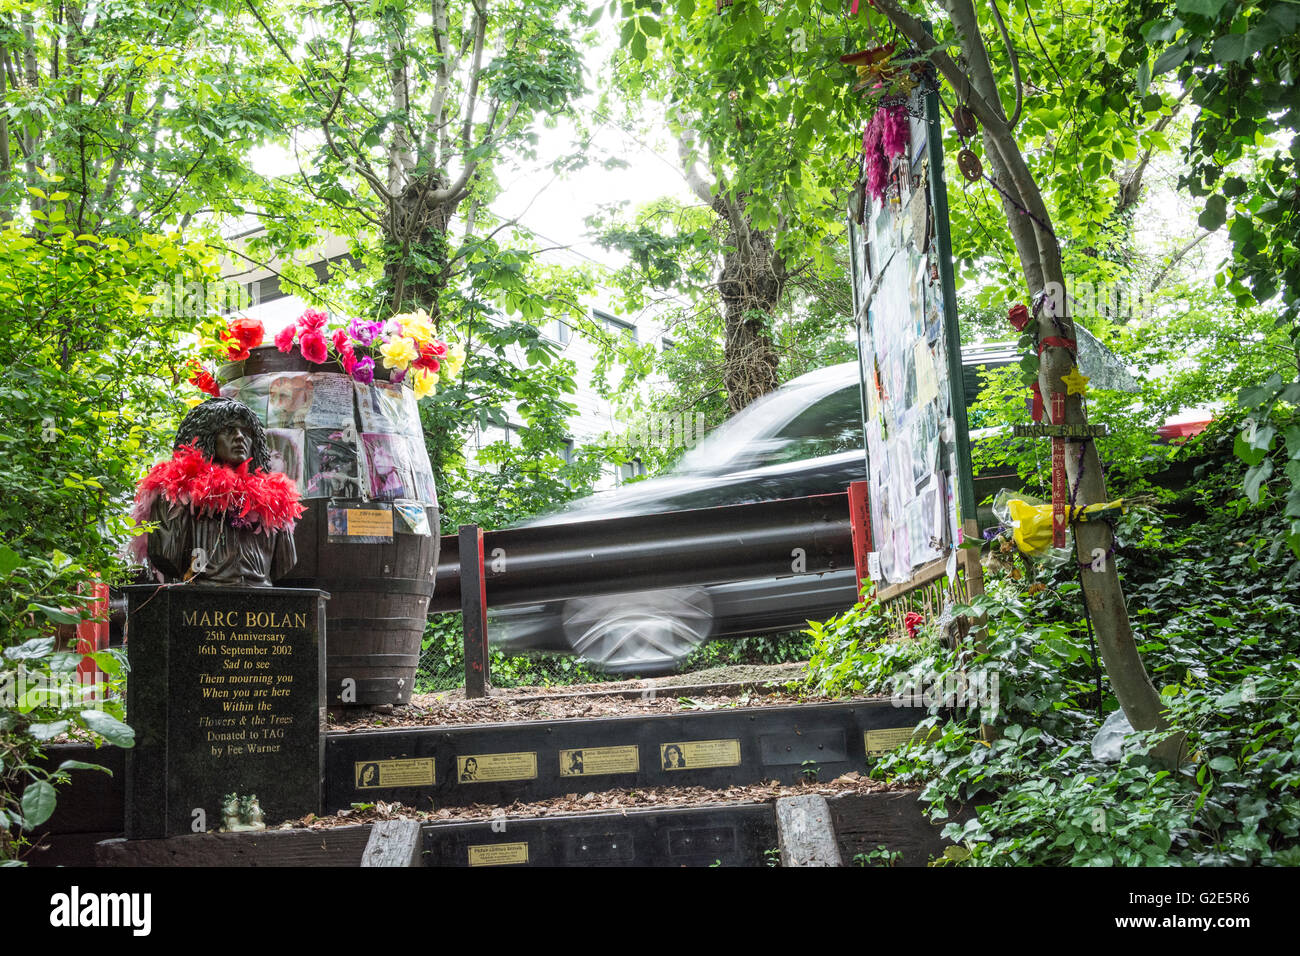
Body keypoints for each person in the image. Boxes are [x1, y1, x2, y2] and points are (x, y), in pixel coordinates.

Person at [131, 398, 302, 587]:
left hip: (264, 604)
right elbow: (166, 554)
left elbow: (284, 564)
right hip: (199, 603)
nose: (239, 437)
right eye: (228, 430)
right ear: (207, 437)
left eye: (246, 432)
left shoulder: (275, 501)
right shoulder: (174, 496)